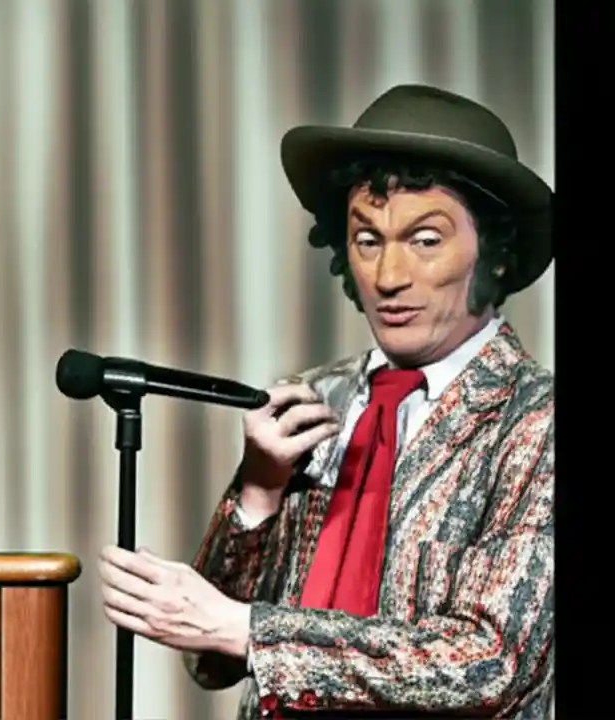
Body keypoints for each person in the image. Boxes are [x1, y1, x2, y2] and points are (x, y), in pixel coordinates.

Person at [97, 84, 553, 718]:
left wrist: (250, 629)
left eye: (425, 240)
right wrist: (257, 493)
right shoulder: (318, 397)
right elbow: (209, 662)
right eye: (368, 241)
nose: (389, 277)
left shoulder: (534, 421)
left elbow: (488, 661)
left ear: (495, 254)